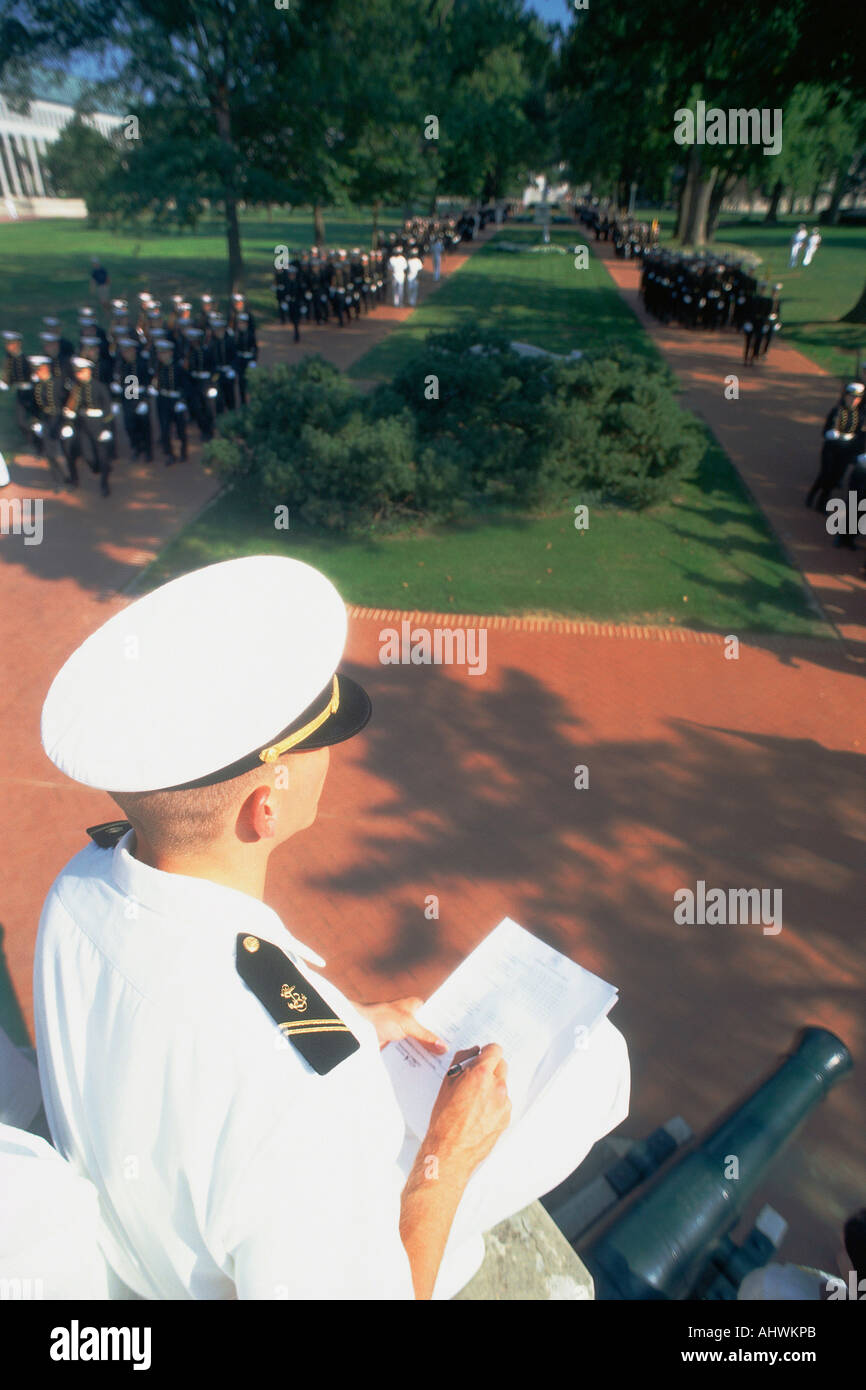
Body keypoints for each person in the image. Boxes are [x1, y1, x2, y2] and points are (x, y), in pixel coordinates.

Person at [34, 555, 630, 1301]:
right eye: (315, 740)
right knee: (596, 1063)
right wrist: (446, 1156)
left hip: (148, 1243)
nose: (329, 753)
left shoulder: (75, 886)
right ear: (266, 808)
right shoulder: (305, 1088)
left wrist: (347, 1023)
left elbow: (183, 1012)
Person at [805, 382, 864, 512]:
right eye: (852, 397)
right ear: (846, 396)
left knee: (835, 477)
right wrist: (831, 433)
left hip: (846, 449)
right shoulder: (837, 411)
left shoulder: (859, 415)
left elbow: (860, 434)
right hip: (831, 448)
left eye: (857, 398)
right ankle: (812, 495)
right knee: (825, 474)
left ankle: (822, 502)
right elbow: (826, 429)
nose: (854, 400)